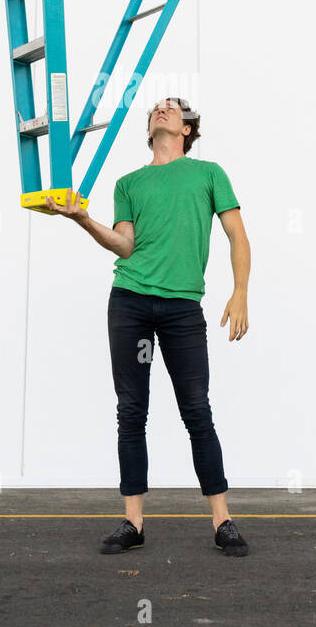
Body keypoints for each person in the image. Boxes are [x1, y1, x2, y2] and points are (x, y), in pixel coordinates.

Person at [42, 97, 251, 558]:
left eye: (173, 108)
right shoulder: (129, 183)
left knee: (197, 409)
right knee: (131, 410)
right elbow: (124, 244)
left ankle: (224, 521)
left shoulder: (208, 173)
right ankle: (133, 523)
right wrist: (82, 218)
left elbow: (238, 234)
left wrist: (240, 292)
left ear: (188, 130)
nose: (162, 110)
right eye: (156, 107)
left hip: (181, 310)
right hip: (131, 303)